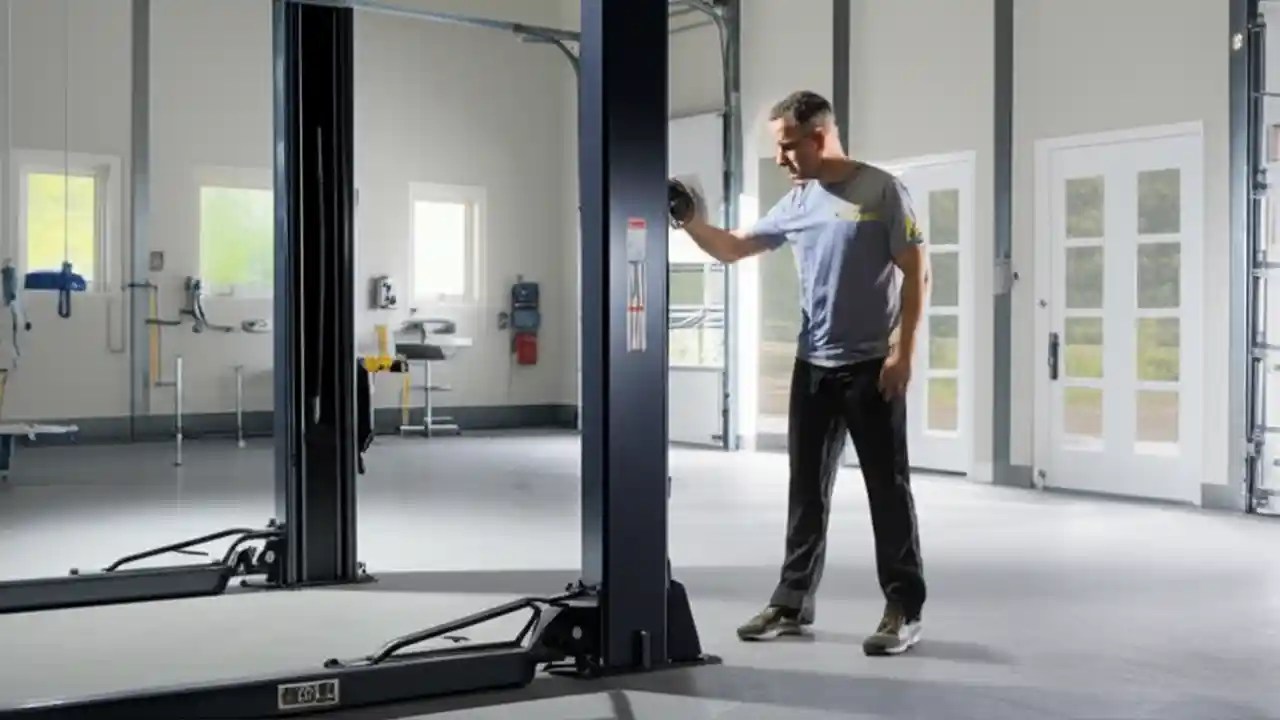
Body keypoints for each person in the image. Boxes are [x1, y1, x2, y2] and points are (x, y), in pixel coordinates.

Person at [668, 90, 930, 656]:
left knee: (887, 490)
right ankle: (791, 602)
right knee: (806, 490)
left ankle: (904, 608)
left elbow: (917, 272)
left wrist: (903, 354)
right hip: (812, 366)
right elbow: (734, 248)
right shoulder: (798, 202)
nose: (781, 158)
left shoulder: (881, 191)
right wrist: (690, 220)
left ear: (819, 137)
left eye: (788, 146)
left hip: (870, 368)